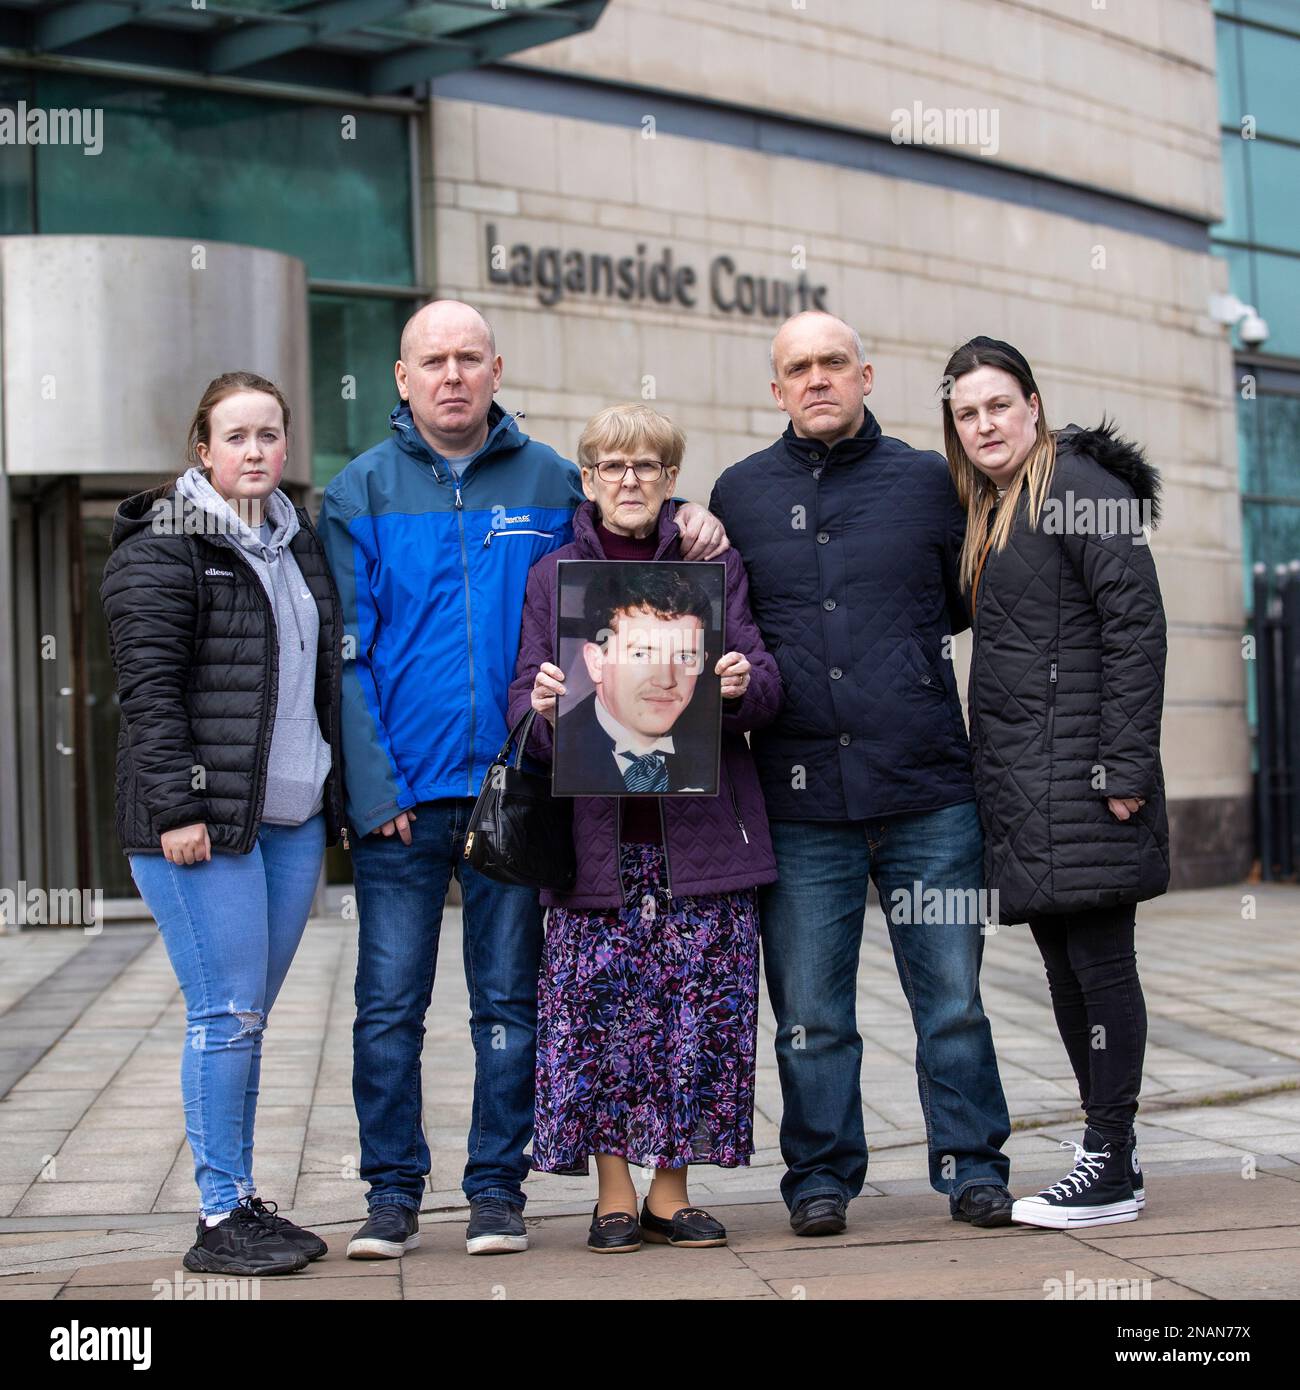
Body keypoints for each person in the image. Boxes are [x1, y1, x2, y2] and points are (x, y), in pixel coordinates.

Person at [316, 302, 730, 1259]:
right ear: (401, 376)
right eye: (434, 361)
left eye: (469, 358)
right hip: (404, 802)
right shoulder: (358, 492)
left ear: (496, 370)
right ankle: (391, 1195)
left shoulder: (549, 480)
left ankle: (496, 1191)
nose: (452, 375)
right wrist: (373, 794)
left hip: (521, 787)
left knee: (507, 1002)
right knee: (388, 1007)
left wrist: (691, 515)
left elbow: (629, 544)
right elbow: (348, 659)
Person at [708, 310, 1014, 1236]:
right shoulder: (738, 495)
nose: (817, 380)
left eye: (833, 363)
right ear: (776, 390)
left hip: (929, 792)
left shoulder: (929, 482)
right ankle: (821, 1177)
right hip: (798, 804)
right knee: (810, 1009)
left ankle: (973, 1170)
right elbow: (722, 618)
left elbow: (969, 602)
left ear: (866, 374)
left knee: (953, 1002)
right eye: (798, 368)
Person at [508, 402, 781, 1253]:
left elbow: (769, 684)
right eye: (613, 467)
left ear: (671, 480)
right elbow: (520, 697)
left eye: (649, 467)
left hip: (697, 839)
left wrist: (739, 684)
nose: (631, 481)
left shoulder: (715, 564)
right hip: (596, 843)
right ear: (587, 480)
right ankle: (614, 1196)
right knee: (601, 1019)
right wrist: (547, 709)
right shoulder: (555, 576)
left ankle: (672, 1193)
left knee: (697, 1017)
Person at [100, 371, 344, 1276]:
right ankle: (217, 1217)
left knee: (246, 1020)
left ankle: (241, 1199)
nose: (255, 452)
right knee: (225, 1013)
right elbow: (149, 695)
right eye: (235, 436)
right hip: (202, 826)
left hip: (288, 820)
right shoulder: (162, 548)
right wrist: (177, 809)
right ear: (202, 450)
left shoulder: (295, 538)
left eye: (269, 436)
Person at [942, 336, 1167, 1228]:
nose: (985, 423)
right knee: (1069, 975)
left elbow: (1136, 626)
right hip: (1029, 788)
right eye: (967, 413)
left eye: (999, 404)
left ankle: (1109, 1161)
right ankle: (1109, 1151)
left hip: (1085, 781)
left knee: (1102, 971)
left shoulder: (1077, 485)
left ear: (1034, 404)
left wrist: (1123, 765)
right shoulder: (995, 505)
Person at [553, 565, 719, 794]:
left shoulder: (717, 751)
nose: (665, 680)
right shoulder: (557, 746)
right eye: (642, 654)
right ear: (596, 662)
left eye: (685, 656)